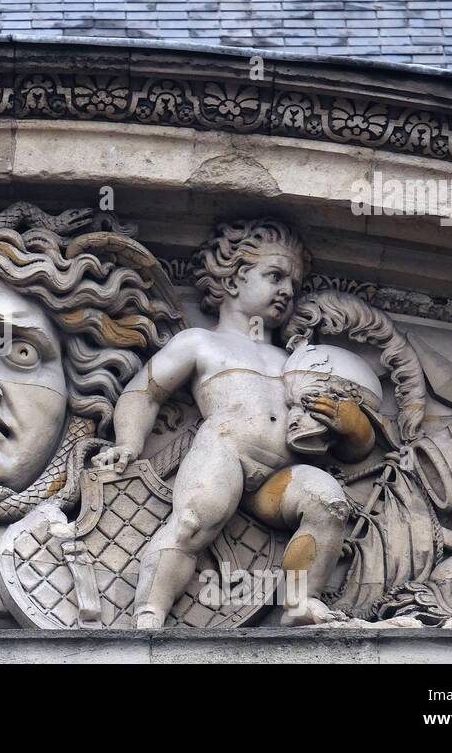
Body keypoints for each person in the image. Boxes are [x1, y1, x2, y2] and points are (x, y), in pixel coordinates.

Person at [94, 219, 373, 627]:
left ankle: (299, 604)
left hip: (282, 474)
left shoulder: (297, 361)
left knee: (328, 502)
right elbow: (144, 393)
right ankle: (149, 615)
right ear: (233, 279)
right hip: (226, 452)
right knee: (194, 521)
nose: (286, 291)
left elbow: (350, 451)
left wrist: (355, 427)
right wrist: (128, 444)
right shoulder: (201, 343)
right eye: (274, 276)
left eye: (293, 285)